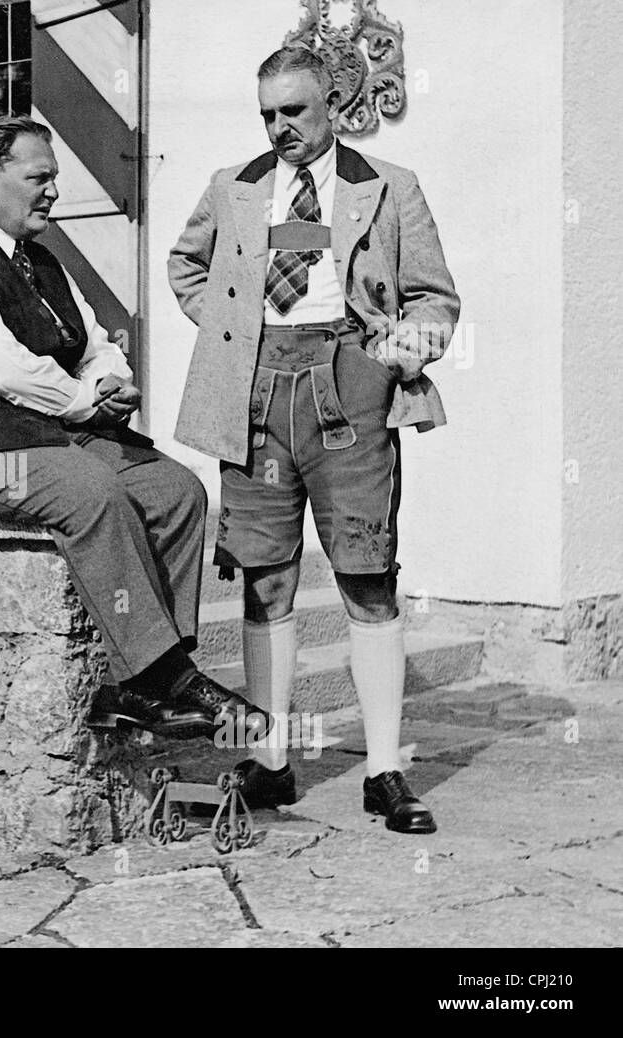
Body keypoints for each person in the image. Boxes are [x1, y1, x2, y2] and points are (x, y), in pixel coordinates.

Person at [0, 115, 271, 743]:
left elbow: (95, 342)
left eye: (55, 178)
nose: (52, 192)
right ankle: (169, 680)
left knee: (175, 490)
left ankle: (142, 683)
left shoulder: (41, 260)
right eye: (38, 177)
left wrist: (105, 381)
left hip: (49, 436)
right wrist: (82, 401)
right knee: (90, 489)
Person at [167, 46, 461, 833]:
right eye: (267, 114)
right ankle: (270, 763)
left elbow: (435, 298)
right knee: (264, 580)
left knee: (367, 576)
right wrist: (230, 332)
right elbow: (185, 266)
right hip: (256, 393)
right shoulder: (235, 188)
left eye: (293, 111)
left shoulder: (388, 188)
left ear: (331, 102)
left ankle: (386, 770)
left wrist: (401, 349)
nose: (279, 128)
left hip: (351, 388)